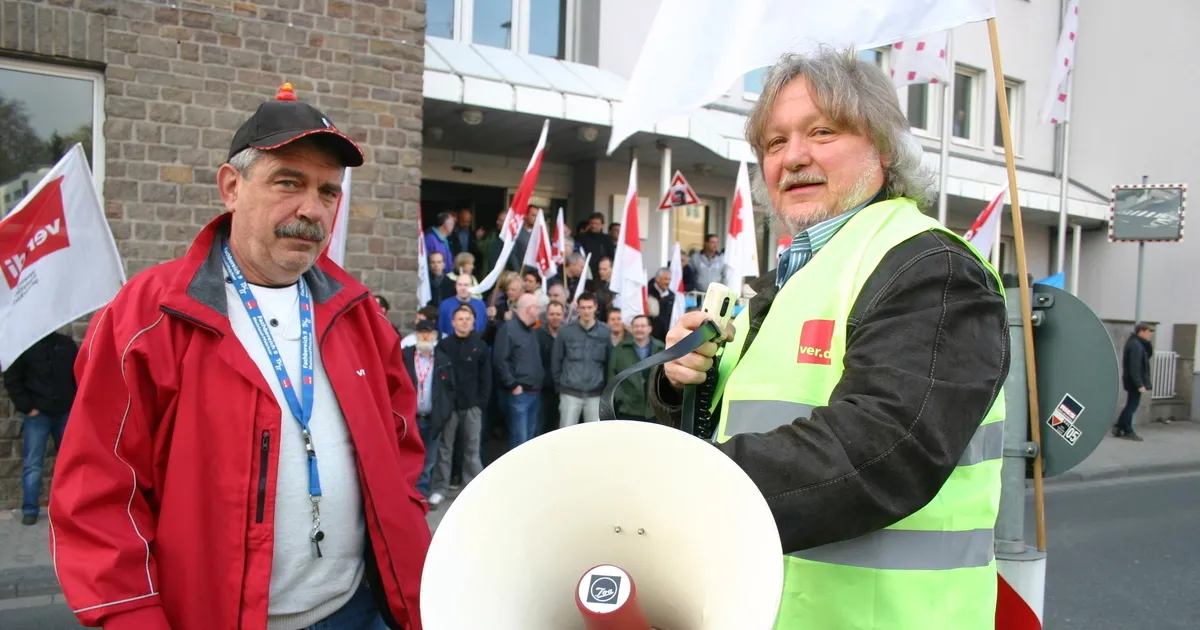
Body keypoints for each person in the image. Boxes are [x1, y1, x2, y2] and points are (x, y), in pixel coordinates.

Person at [48, 85, 432, 630]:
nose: (310, 209)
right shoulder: (149, 316)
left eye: (328, 191)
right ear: (231, 187)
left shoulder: (360, 315)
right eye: (288, 182)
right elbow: (100, 496)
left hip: (358, 610)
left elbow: (401, 460)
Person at [649, 49, 1009, 629]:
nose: (793, 157)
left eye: (822, 132)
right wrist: (680, 384)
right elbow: (744, 423)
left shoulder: (932, 266)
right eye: (773, 142)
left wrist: (692, 488)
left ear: (884, 148)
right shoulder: (791, 276)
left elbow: (884, 447)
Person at [2, 330, 77, 526]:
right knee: (33, 463)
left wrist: (74, 404)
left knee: (70, 462)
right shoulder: (25, 347)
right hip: (38, 414)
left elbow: (78, 372)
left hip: (64, 412)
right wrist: (27, 407)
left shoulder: (66, 344)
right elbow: (12, 379)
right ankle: (30, 509)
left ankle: (70, 507)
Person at [428, 305, 490, 505]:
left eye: (468, 319)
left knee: (472, 449)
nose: (464, 322)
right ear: (453, 322)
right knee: (445, 449)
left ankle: (473, 488)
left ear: (473, 322)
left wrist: (480, 403)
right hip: (449, 407)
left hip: (472, 406)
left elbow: (486, 378)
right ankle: (439, 488)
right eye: (460, 319)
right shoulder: (444, 345)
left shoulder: (480, 346)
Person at [403, 320, 455, 497]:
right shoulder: (405, 357)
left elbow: (450, 389)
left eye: (429, 333)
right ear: (416, 335)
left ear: (435, 336)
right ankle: (406, 493)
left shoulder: (443, 359)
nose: (425, 336)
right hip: (410, 418)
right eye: (422, 332)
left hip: (432, 418)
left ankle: (421, 494)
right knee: (408, 457)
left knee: (429, 460)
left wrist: (443, 413)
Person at [492, 293, 544, 449]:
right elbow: (500, 360)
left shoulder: (532, 331)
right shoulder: (508, 330)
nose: (540, 312)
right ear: (529, 310)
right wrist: (513, 385)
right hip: (519, 394)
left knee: (529, 440)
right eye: (538, 308)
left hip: (534, 392)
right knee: (519, 442)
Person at [551, 293, 610, 426]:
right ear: (577, 308)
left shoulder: (605, 332)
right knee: (566, 434)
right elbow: (556, 360)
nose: (586, 311)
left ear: (596, 307)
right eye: (583, 308)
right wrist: (559, 385)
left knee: (594, 436)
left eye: (589, 307)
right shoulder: (565, 331)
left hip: (596, 394)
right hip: (570, 392)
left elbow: (609, 362)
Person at [607, 315, 663, 421]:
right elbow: (612, 376)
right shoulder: (620, 350)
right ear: (631, 329)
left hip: (654, 411)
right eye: (636, 326)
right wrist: (621, 397)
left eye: (643, 326)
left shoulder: (661, 349)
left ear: (650, 328)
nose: (639, 329)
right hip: (628, 410)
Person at [1113, 323, 1153, 440]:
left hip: (1132, 380)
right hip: (1134, 381)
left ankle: (1120, 426)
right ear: (1141, 332)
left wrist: (1148, 343)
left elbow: (1148, 355)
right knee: (1132, 405)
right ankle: (1127, 429)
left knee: (1131, 404)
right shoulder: (1135, 345)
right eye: (1148, 332)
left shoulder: (1137, 343)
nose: (1149, 334)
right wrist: (1139, 384)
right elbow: (1135, 367)